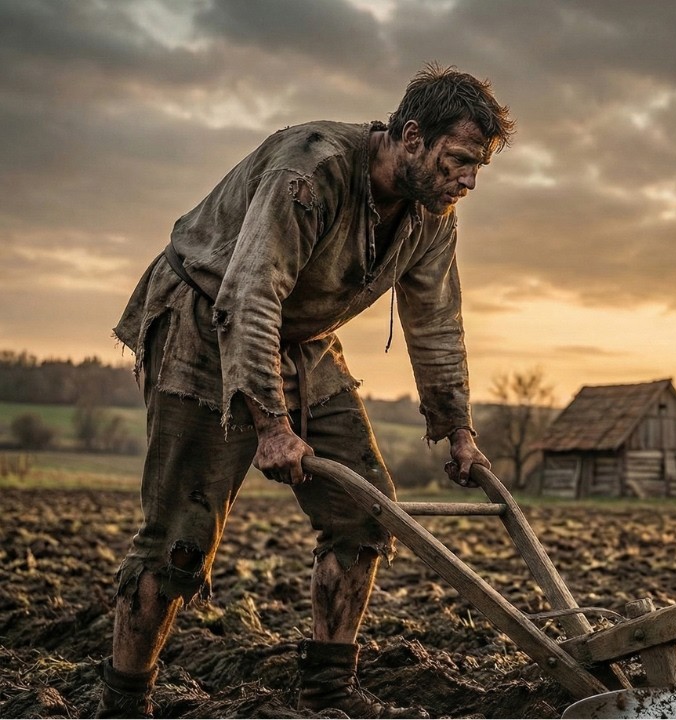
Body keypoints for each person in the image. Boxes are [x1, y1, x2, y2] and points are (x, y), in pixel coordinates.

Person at [99, 64, 514, 718]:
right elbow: (250, 296)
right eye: (459, 160)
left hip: (302, 339)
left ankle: (328, 691)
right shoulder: (310, 171)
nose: (468, 181)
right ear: (411, 137)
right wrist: (271, 424)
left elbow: (436, 321)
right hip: (204, 319)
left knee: (366, 513)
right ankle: (124, 702)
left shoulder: (432, 216)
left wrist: (458, 430)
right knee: (180, 538)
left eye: (478, 167)